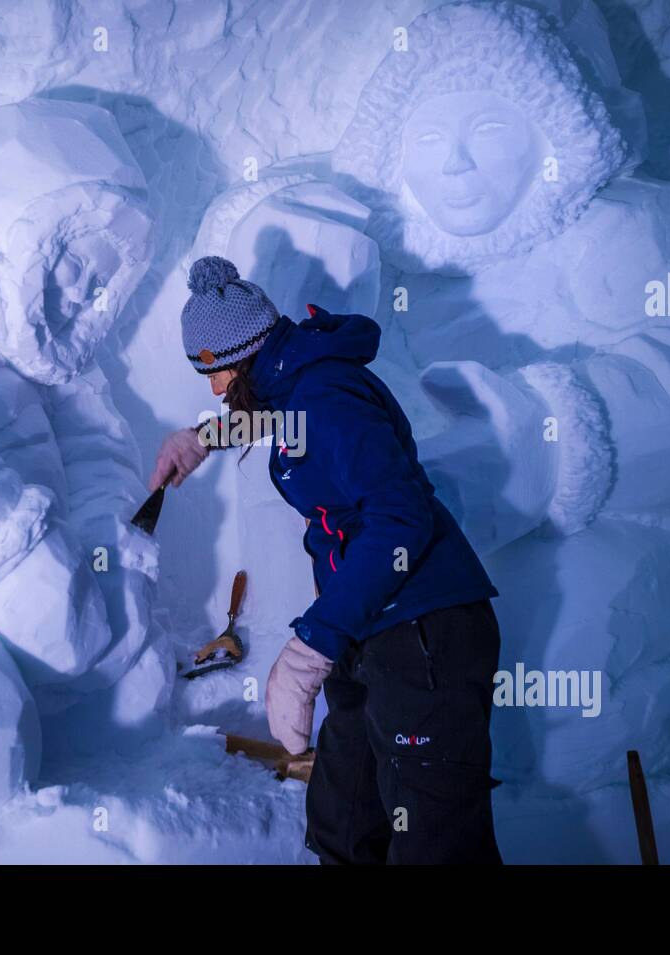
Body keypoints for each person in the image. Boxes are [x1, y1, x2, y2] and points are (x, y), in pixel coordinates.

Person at [151, 255, 504, 864]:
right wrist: (201, 439)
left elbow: (401, 519)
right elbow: (281, 419)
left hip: (423, 630)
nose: (213, 388)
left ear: (251, 350)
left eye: (218, 371)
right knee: (345, 820)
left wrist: (310, 649)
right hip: (371, 629)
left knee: (434, 846)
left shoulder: (326, 393)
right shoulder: (297, 383)